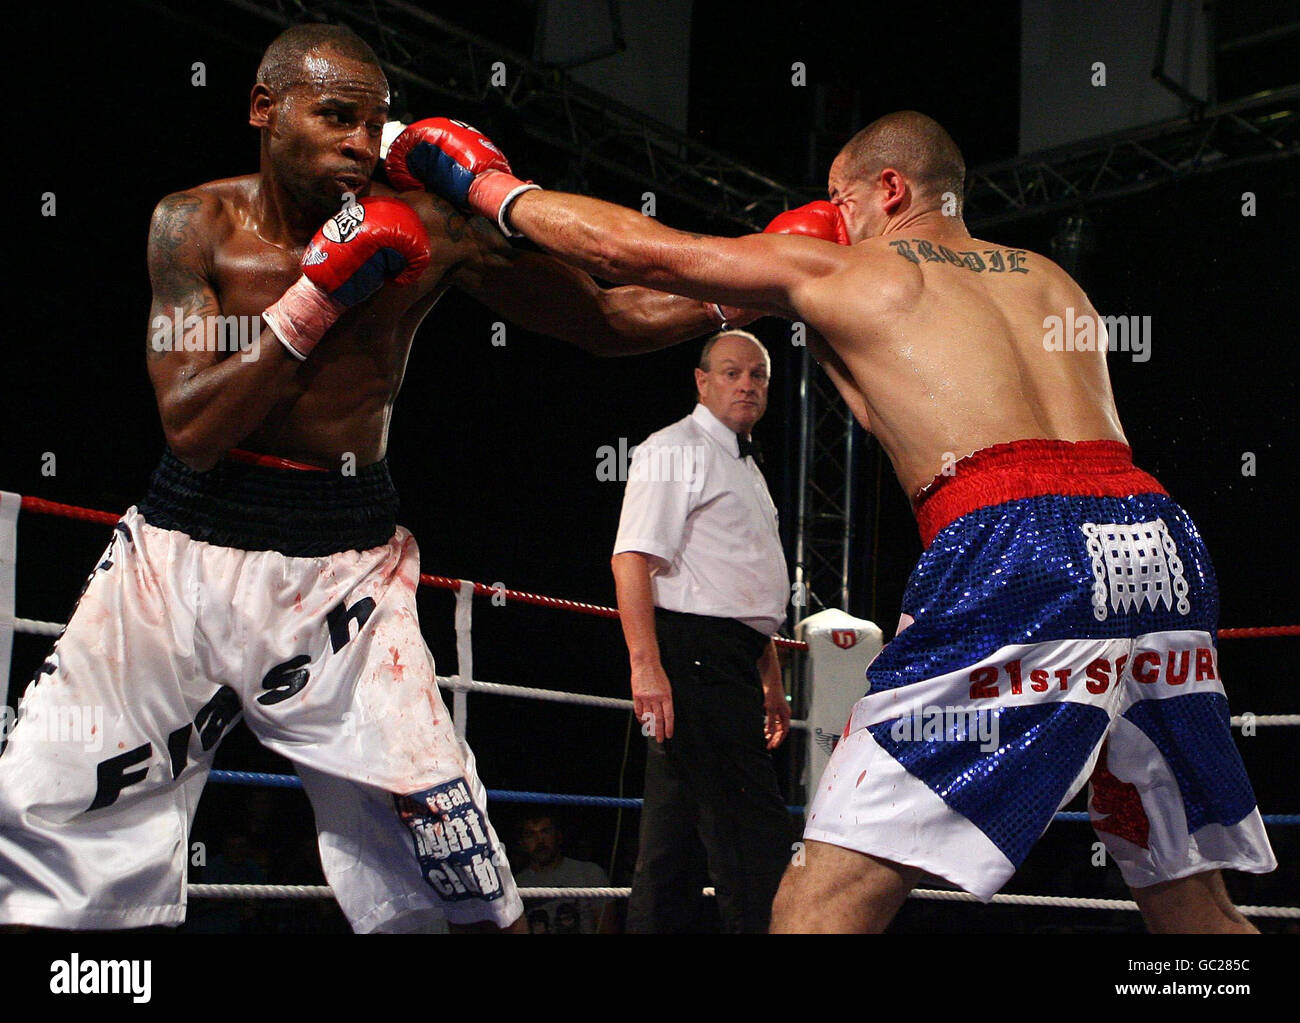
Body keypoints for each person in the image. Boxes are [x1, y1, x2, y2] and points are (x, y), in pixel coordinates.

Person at [402, 111, 1277, 933]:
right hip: (1158, 547)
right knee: (1185, 891)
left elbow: (641, 258)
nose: (834, 217)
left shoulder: (848, 269)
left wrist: (486, 187)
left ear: (889, 191)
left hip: (1016, 548)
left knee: (820, 898)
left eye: (844, 198)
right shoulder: (1059, 282)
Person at [0, 24, 735, 934]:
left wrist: (765, 278)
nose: (363, 142)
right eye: (337, 115)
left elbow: (609, 319)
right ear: (265, 111)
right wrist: (318, 293)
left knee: (453, 876)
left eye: (377, 122)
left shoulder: (429, 223)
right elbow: (191, 427)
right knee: (51, 812)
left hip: (343, 566)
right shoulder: (191, 224)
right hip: (176, 554)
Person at [611, 330, 793, 933]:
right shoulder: (673, 449)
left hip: (727, 661)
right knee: (751, 838)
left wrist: (769, 679)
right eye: (733, 372)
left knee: (674, 845)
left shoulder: (744, 460)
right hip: (692, 657)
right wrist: (645, 665)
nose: (747, 384)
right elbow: (631, 558)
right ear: (702, 380)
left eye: (758, 375)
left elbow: (742, 582)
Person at [514, 814, 615, 934]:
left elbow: (608, 928)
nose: (540, 841)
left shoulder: (589, 873)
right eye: (531, 835)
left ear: (558, 836)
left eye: (545, 832)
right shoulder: (515, 885)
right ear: (522, 843)